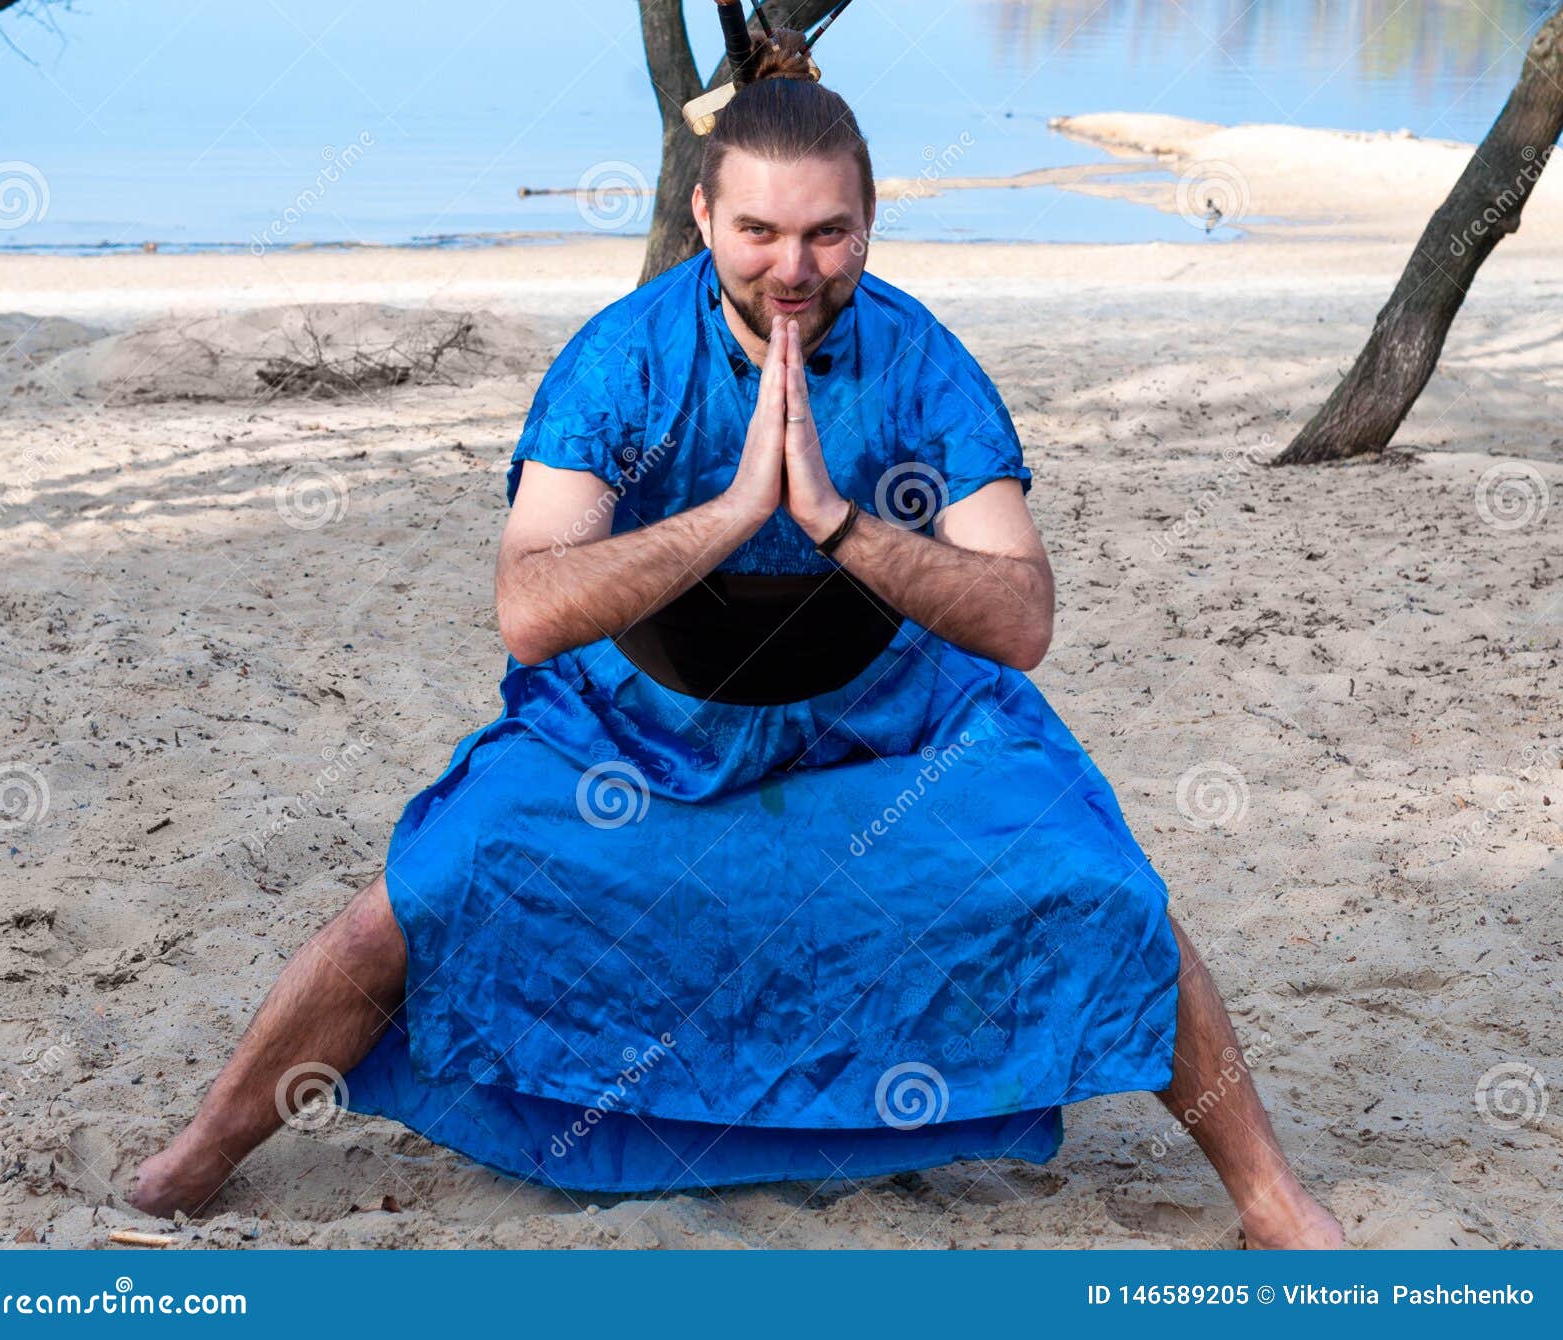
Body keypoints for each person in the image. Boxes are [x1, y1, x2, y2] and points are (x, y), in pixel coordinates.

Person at [128, 42, 1343, 1249]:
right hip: (628, 726)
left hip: (896, 721)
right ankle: (204, 1150)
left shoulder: (926, 368)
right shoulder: (620, 358)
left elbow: (1021, 619)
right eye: (758, 230)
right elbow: (530, 607)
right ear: (703, 211)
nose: (792, 267)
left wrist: (833, 519)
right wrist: (726, 515)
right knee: (411, 901)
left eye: (828, 233)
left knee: (1108, 886)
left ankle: (1268, 1193)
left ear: (870, 224)